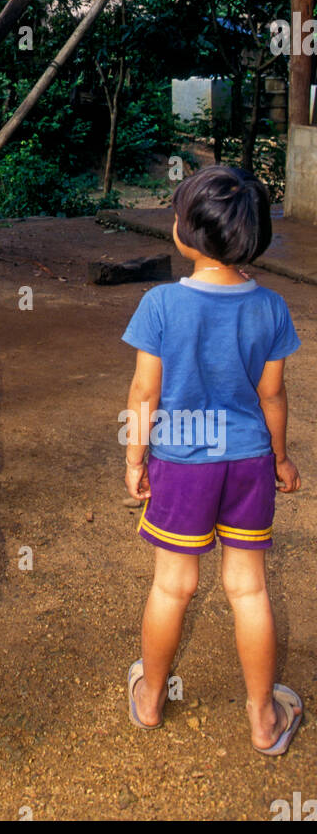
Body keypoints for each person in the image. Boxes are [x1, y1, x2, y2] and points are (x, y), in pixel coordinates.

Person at [122, 165, 303, 755]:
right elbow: (272, 395)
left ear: (184, 234)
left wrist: (135, 459)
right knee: (248, 591)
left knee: (173, 587)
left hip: (181, 465)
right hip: (248, 461)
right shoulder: (271, 307)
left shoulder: (161, 303)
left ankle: (150, 699)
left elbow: (145, 393)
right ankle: (262, 719)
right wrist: (279, 458)